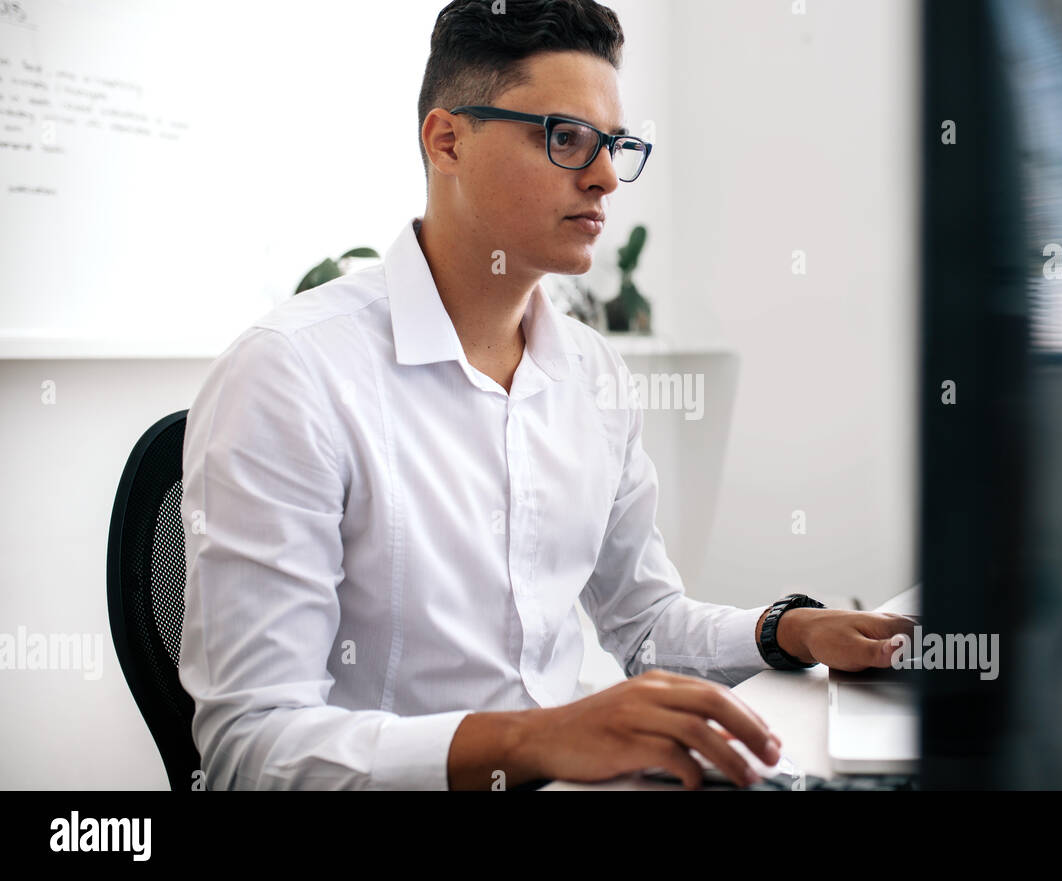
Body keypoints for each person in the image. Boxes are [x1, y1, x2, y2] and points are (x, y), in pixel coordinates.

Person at [179, 0, 912, 791]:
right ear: (447, 139)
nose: (603, 176)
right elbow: (251, 747)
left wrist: (789, 630)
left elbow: (644, 624)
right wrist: (533, 740)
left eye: (616, 146)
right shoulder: (291, 376)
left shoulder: (592, 374)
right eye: (566, 138)